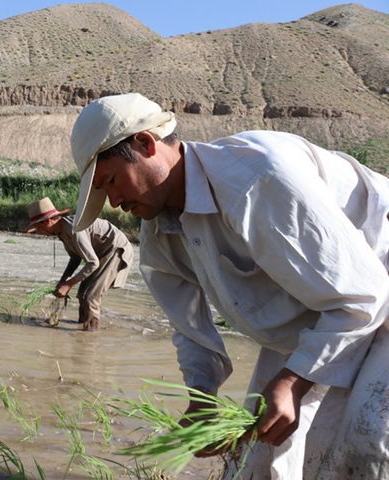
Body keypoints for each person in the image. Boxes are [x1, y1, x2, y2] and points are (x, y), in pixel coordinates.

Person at [69, 92, 389, 479]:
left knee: (368, 443)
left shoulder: (256, 180)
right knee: (261, 459)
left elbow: (364, 293)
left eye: (112, 182)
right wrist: (202, 397)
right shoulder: (159, 231)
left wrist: (293, 380)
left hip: (375, 286)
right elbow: (189, 325)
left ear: (145, 144)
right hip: (322, 311)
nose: (115, 202)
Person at [23, 196, 133, 331]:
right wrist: (62, 281)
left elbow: (92, 263)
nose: (38, 233)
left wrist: (68, 284)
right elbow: (75, 258)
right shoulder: (61, 232)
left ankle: (90, 335)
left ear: (47, 222)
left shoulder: (74, 229)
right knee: (83, 294)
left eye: (37, 228)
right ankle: (82, 329)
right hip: (100, 253)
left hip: (115, 249)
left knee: (90, 296)